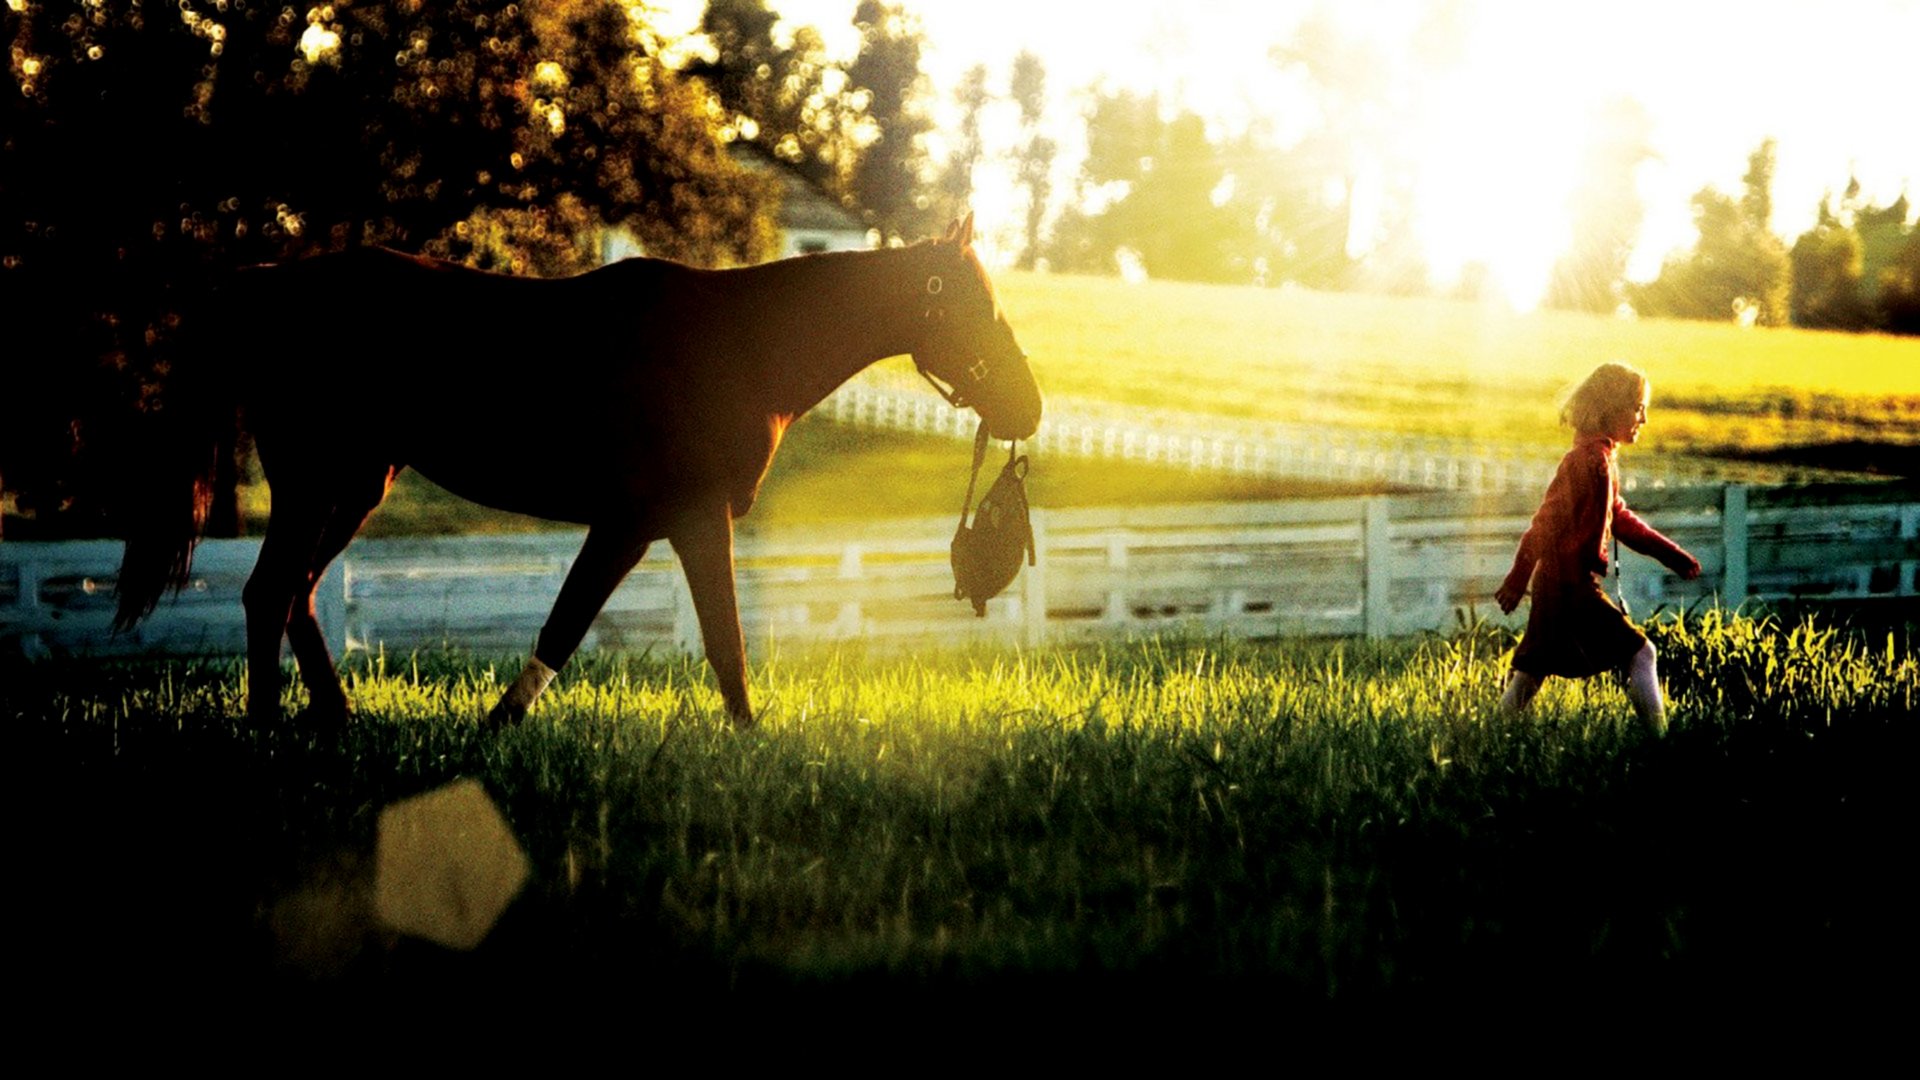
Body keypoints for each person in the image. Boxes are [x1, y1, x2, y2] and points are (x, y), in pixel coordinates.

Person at [1494, 362, 1702, 735]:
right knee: (1641, 653)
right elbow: (1545, 525)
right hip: (1569, 586)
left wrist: (1670, 554)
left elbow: (1619, 518)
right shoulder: (1586, 462)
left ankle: (1492, 733)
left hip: (1560, 585)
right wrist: (1516, 579)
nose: (1644, 418)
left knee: (1532, 673)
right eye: (1638, 407)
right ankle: (1659, 739)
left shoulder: (1600, 459)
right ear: (1611, 408)